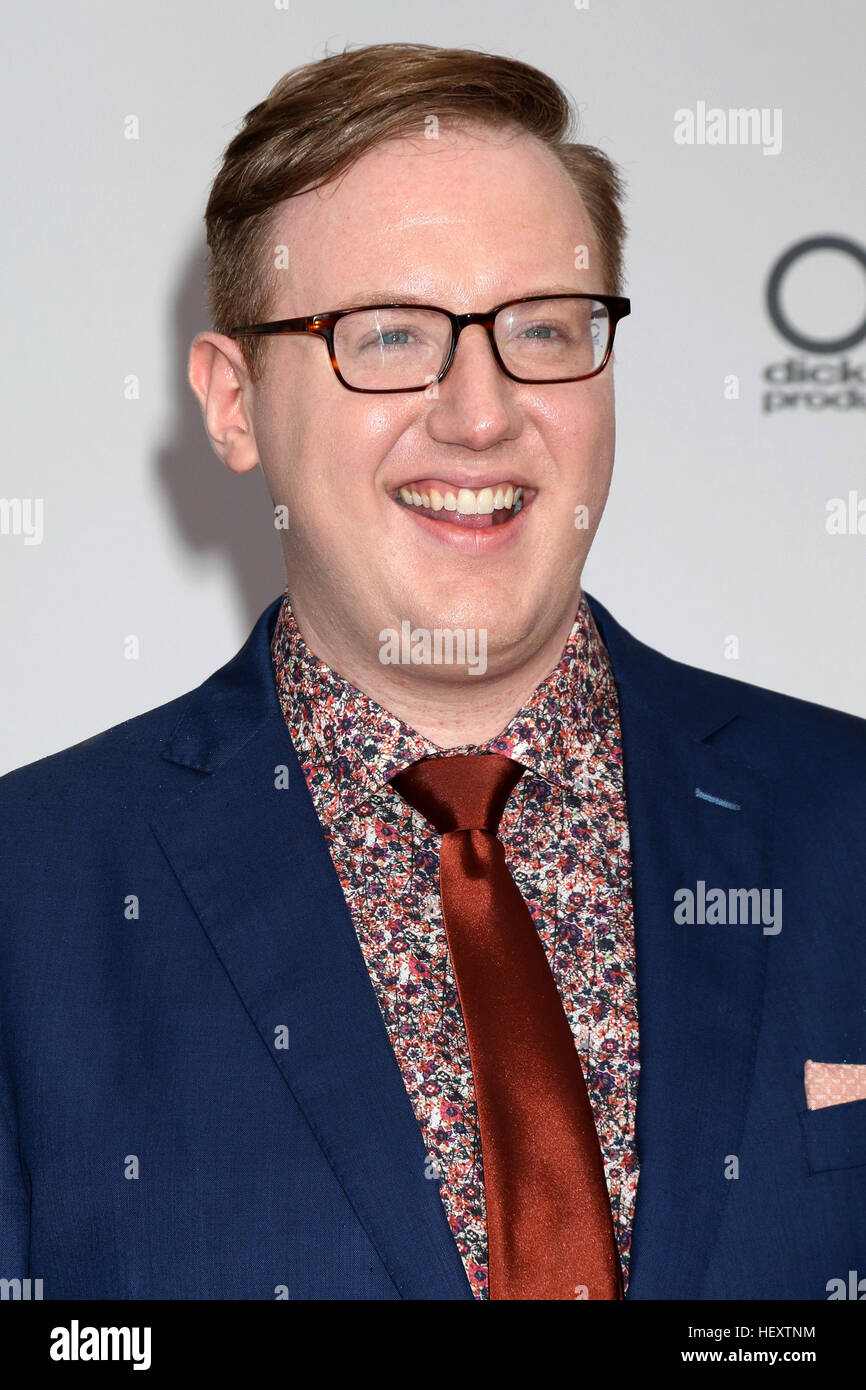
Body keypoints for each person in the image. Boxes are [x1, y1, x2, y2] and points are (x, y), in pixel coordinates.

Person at [1, 42, 864, 1302]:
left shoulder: (842, 819)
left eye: (543, 328)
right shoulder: (33, 897)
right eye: (390, 333)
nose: (478, 411)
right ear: (231, 402)